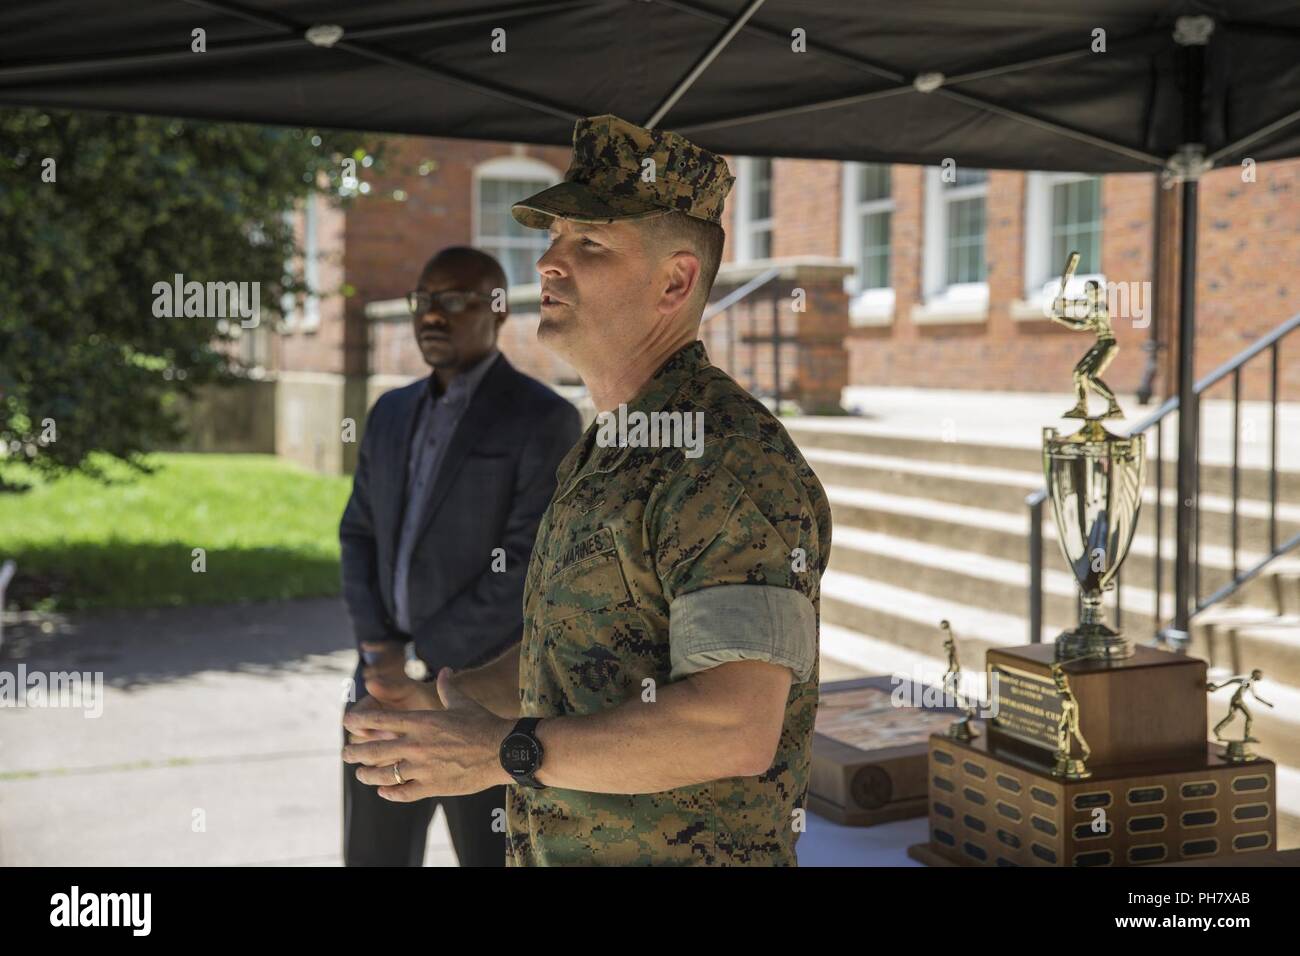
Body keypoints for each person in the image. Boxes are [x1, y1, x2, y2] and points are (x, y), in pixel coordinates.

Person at [343, 115, 832, 866]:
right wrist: (454, 694)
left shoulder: (725, 461)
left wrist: (502, 753)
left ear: (676, 281)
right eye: (554, 239)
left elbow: (734, 725)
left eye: (589, 245)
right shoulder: (608, 443)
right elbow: (578, 656)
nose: (547, 263)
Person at [338, 246, 581, 866]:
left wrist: (418, 664)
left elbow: (526, 564)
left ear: (498, 309)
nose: (432, 316)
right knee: (374, 857)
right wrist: (379, 653)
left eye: (453, 301)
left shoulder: (542, 418)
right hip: (380, 690)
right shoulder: (390, 412)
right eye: (423, 300)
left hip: (482, 702)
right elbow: (358, 534)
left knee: (491, 858)